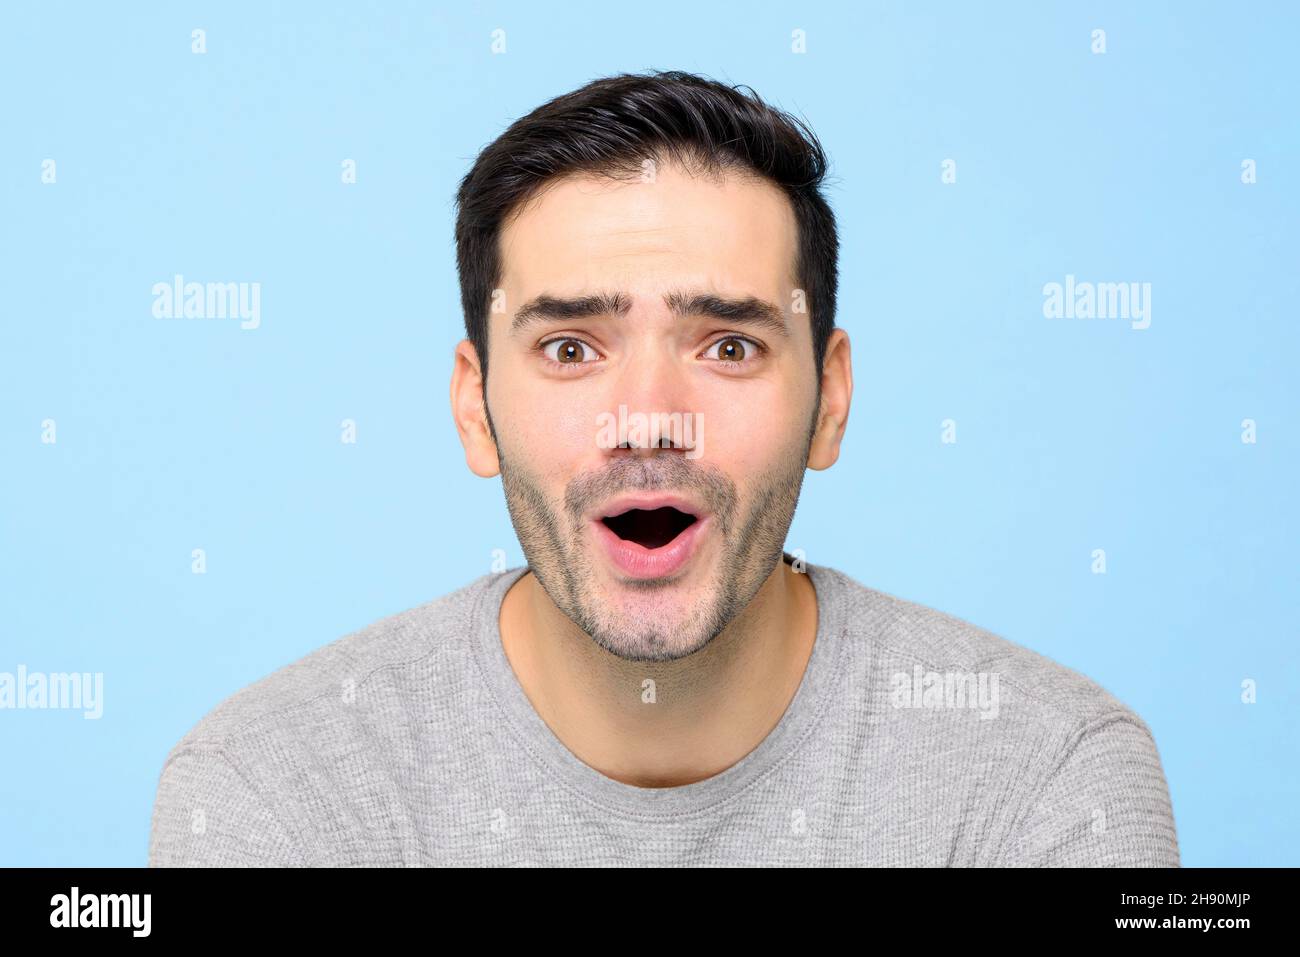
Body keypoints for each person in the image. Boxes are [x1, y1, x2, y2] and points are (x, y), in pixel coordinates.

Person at [149, 70, 1179, 866]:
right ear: (475, 409)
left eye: (727, 346)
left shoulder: (1047, 777)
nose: (649, 423)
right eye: (570, 349)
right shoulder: (271, 793)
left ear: (829, 399)